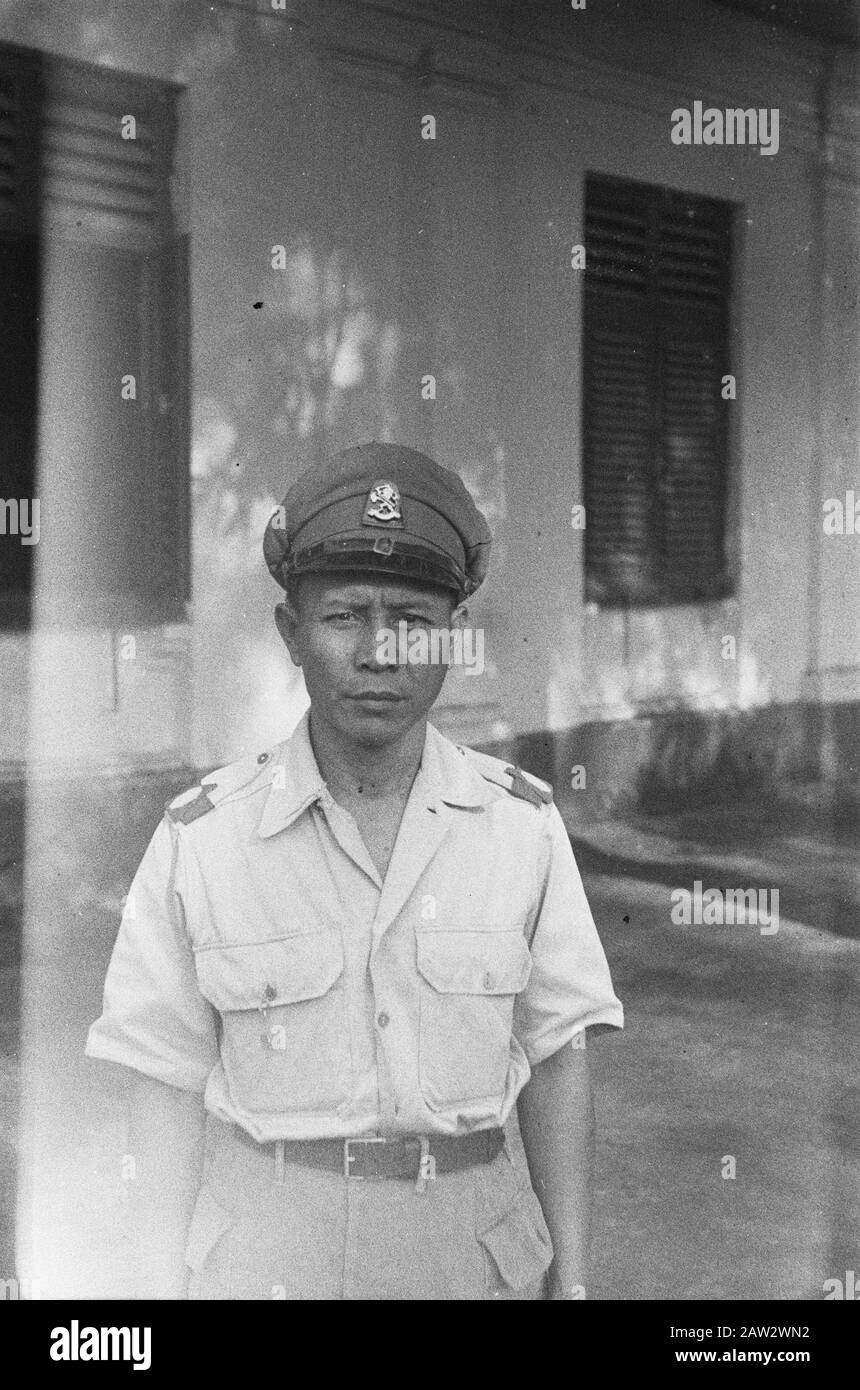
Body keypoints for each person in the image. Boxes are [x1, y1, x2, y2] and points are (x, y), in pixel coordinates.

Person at [86, 440, 623, 1300]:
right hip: (263, 1262)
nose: (382, 653)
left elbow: (559, 1055)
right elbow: (160, 1080)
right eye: (345, 618)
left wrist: (579, 1284)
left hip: (472, 1258)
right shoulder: (204, 841)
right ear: (292, 636)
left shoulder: (521, 828)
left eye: (413, 621)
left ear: (452, 639)